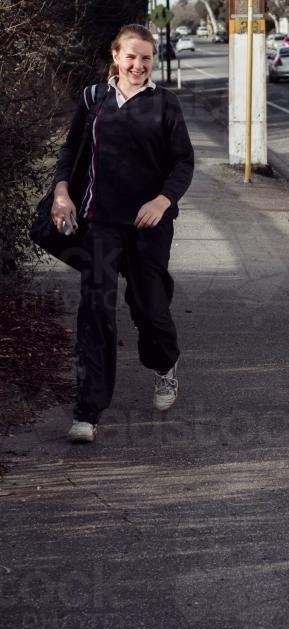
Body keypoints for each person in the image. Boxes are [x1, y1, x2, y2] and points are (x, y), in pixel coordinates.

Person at [50, 24, 195, 443]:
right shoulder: (93, 99)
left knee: (149, 309)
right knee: (95, 311)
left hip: (149, 225)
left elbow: (182, 163)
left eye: (146, 57)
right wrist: (61, 192)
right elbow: (69, 150)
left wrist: (162, 201)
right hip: (99, 222)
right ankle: (87, 412)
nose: (138, 64)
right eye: (130, 56)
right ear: (115, 56)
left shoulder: (164, 104)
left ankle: (164, 365)